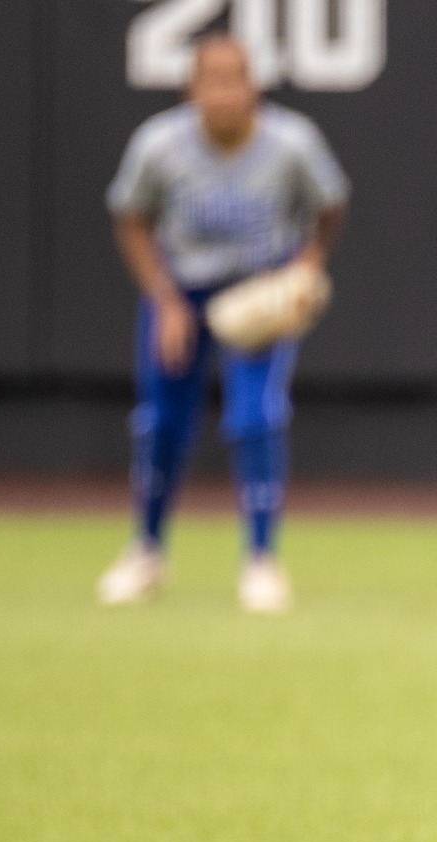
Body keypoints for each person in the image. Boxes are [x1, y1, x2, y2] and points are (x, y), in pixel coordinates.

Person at [97, 34, 348, 613]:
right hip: (182, 291)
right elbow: (131, 217)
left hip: (259, 290)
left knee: (256, 415)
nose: (225, 93)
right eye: (212, 81)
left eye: (235, 80)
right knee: (162, 420)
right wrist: (163, 299)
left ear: (253, 84)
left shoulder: (292, 142)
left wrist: (306, 266)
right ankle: (146, 550)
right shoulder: (159, 144)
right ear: (192, 87)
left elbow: (330, 204)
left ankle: (262, 560)